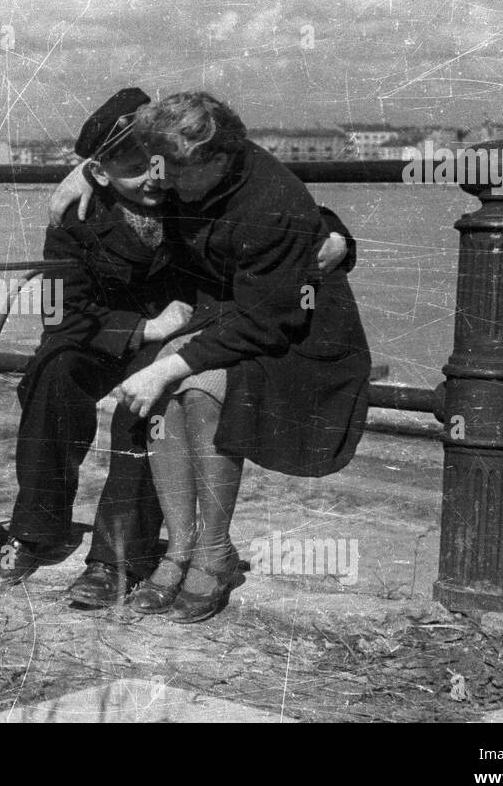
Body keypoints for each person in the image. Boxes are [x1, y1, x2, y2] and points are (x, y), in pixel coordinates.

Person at [0, 87, 355, 606]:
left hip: (194, 332)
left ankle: (115, 560)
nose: (153, 180)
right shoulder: (78, 213)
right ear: (100, 171)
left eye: (155, 165)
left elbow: (268, 213)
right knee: (55, 377)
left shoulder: (180, 179)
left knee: (145, 404)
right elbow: (63, 315)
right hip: (107, 335)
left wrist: (337, 234)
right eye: (130, 169)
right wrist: (144, 329)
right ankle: (35, 531)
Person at [106, 91, 372, 622]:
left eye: (177, 172)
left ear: (220, 158)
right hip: (229, 318)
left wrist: (167, 365)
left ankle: (213, 552)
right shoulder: (182, 169)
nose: (164, 182)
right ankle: (180, 549)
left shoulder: (271, 198)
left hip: (295, 333)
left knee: (202, 395)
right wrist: (80, 178)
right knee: (162, 402)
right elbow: (113, 168)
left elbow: (268, 320)